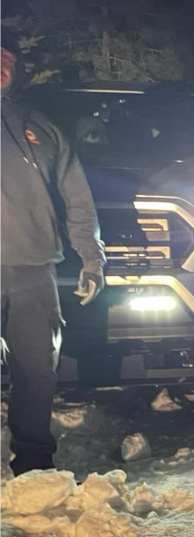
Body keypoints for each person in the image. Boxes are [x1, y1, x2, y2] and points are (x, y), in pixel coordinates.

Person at [1, 36, 105, 475]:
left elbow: (77, 197)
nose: (1, 67)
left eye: (7, 60)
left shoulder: (39, 127)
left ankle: (34, 464)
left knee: (37, 369)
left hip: (32, 267)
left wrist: (92, 258)